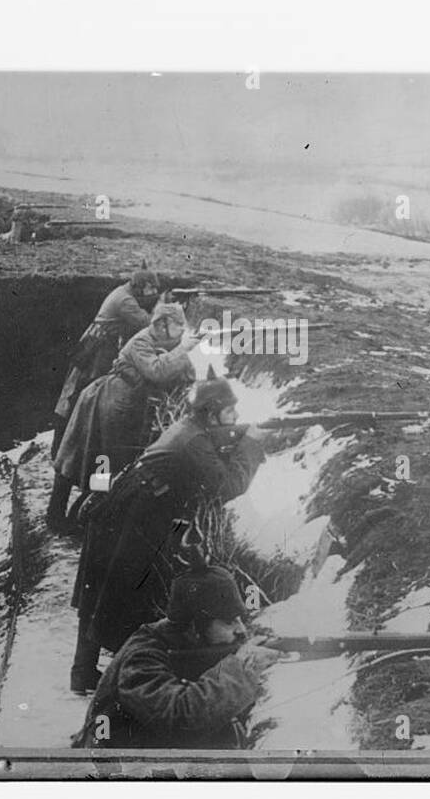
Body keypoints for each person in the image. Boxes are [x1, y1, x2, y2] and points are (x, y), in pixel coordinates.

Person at [68, 371, 267, 693]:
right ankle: (127, 677)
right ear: (212, 413)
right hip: (134, 514)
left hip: (129, 506)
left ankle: (84, 673)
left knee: (103, 592)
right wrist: (252, 447)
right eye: (230, 412)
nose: (237, 417)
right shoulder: (195, 439)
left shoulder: (194, 430)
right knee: (121, 596)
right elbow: (226, 486)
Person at [71, 566, 281, 749]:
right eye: (228, 621)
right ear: (195, 627)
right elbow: (180, 717)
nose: (241, 630)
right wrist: (241, 669)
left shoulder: (188, 644)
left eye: (240, 619)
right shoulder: (142, 656)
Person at [46, 301, 199, 534]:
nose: (182, 332)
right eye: (179, 326)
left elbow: (186, 373)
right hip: (102, 404)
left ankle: (86, 517)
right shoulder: (142, 341)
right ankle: (57, 519)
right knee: (78, 459)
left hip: (121, 408)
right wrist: (183, 350)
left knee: (102, 460)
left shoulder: (167, 342)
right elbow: (156, 371)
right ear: (163, 325)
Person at [50, 269, 161, 458]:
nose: (153, 292)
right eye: (152, 289)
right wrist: (162, 305)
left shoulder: (123, 292)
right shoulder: (125, 300)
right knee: (79, 396)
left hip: (95, 345)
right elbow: (147, 323)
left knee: (74, 395)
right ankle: (66, 449)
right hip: (97, 350)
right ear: (143, 287)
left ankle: (62, 449)